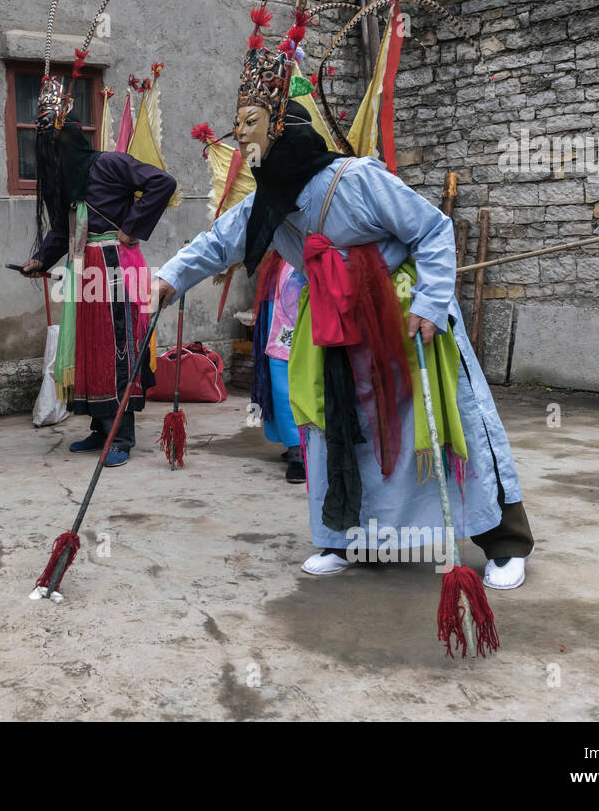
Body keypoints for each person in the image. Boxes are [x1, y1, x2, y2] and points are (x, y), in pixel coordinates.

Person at [152, 67, 533, 590]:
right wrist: (169, 279)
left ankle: (505, 541)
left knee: (446, 420)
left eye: (250, 121)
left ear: (281, 127)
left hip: (407, 320)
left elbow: (433, 229)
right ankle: (348, 537)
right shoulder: (264, 203)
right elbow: (217, 244)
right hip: (336, 330)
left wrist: (430, 301)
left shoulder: (357, 179)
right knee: (342, 433)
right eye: (236, 123)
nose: (238, 134)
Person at [19, 79, 176, 467]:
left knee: (118, 350)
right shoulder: (67, 186)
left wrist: (132, 227)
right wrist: (40, 260)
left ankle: (122, 436)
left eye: (51, 150)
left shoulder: (109, 163)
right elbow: (61, 230)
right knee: (87, 348)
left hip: (116, 266)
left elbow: (162, 182)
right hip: (83, 269)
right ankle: (99, 427)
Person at [249, 252, 307, 483]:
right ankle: (295, 447)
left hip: (311, 281)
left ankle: (306, 448)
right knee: (280, 383)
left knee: (310, 379)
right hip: (281, 291)